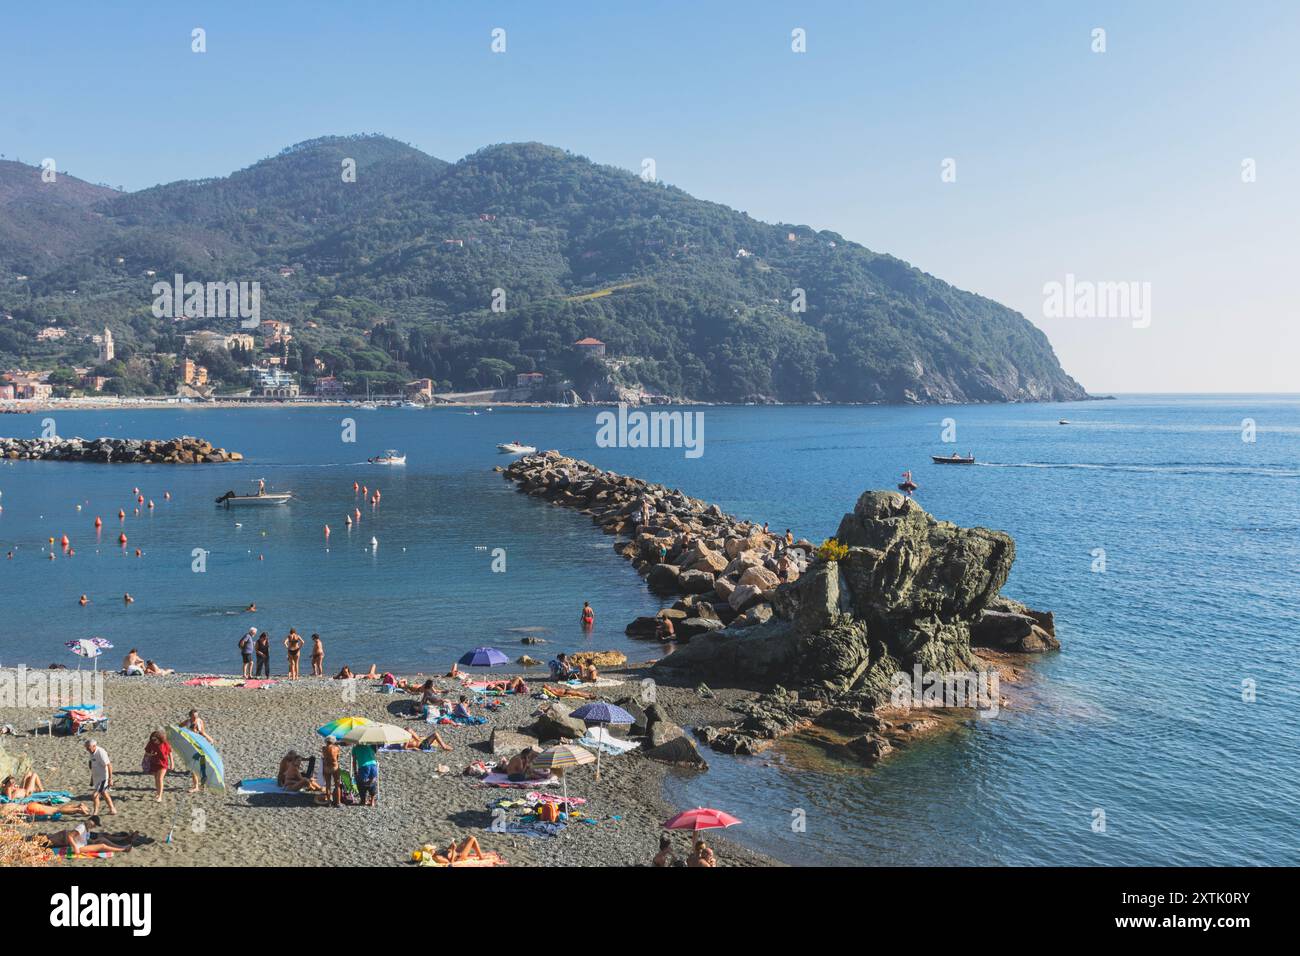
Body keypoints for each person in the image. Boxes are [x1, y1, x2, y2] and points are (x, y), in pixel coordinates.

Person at [37, 817, 134, 856]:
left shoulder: (86, 828)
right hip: (70, 841)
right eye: (94, 824)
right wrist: (75, 848)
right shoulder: (82, 827)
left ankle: (123, 844)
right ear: (89, 820)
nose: (94, 826)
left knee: (102, 840)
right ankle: (123, 849)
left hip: (81, 844)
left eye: (95, 825)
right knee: (102, 845)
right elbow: (70, 836)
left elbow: (83, 838)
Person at [180, 710, 214, 793]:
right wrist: (186, 733)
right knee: (194, 767)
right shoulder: (187, 722)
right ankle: (196, 786)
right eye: (194, 716)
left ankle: (200, 785)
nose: (196, 717)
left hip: (200, 745)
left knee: (201, 767)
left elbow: (204, 733)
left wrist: (201, 733)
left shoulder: (200, 721)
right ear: (190, 716)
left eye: (197, 716)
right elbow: (179, 727)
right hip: (191, 745)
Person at [84, 740, 114, 816]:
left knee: (95, 795)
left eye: (88, 748)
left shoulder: (101, 752)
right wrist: (92, 779)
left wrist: (110, 779)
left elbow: (109, 765)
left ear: (94, 746)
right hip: (96, 777)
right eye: (86, 748)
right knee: (104, 793)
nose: (87, 750)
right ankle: (112, 809)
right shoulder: (91, 752)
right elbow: (93, 766)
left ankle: (95, 812)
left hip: (103, 777)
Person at [144, 730, 170, 802]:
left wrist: (172, 762)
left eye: (155, 739)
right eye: (152, 739)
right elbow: (146, 753)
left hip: (163, 763)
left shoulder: (165, 743)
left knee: (160, 779)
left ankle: (160, 796)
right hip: (154, 763)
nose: (153, 740)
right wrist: (151, 754)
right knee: (156, 779)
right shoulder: (151, 743)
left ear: (160, 738)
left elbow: (169, 752)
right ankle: (158, 793)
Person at [352, 741, 379, 806]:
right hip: (373, 765)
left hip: (364, 766)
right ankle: (372, 802)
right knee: (372, 782)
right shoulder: (368, 747)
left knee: (361, 783)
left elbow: (354, 761)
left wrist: (355, 772)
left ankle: (363, 801)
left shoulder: (355, 748)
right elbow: (373, 755)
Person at [321, 736, 343, 807]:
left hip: (327, 767)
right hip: (334, 767)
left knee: (328, 785)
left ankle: (328, 802)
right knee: (337, 785)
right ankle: (338, 802)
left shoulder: (323, 748)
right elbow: (337, 757)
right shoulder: (336, 748)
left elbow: (323, 757)